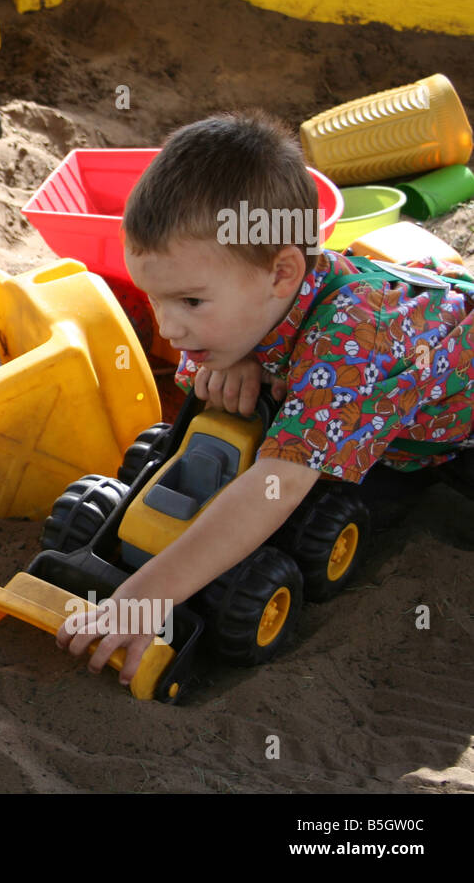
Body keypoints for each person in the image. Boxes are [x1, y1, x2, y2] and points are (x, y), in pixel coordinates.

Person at [56, 111, 474, 682]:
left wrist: (145, 596)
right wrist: (240, 354)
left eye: (191, 303)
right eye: (157, 300)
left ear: (282, 274)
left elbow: (273, 489)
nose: (170, 328)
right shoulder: (259, 300)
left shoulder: (351, 342)